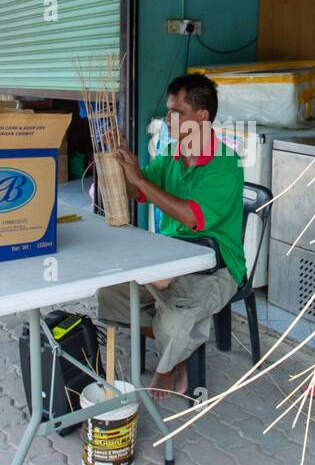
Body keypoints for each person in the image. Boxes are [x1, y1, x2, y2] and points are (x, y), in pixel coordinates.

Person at [98, 74, 246, 400]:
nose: (169, 119)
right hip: (168, 259)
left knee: (177, 321)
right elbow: (136, 190)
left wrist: (140, 178)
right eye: (169, 111)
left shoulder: (225, 164)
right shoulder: (171, 155)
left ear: (202, 117)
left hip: (217, 267)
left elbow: (191, 217)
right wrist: (119, 162)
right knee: (111, 293)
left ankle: (167, 368)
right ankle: (180, 350)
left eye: (177, 112)